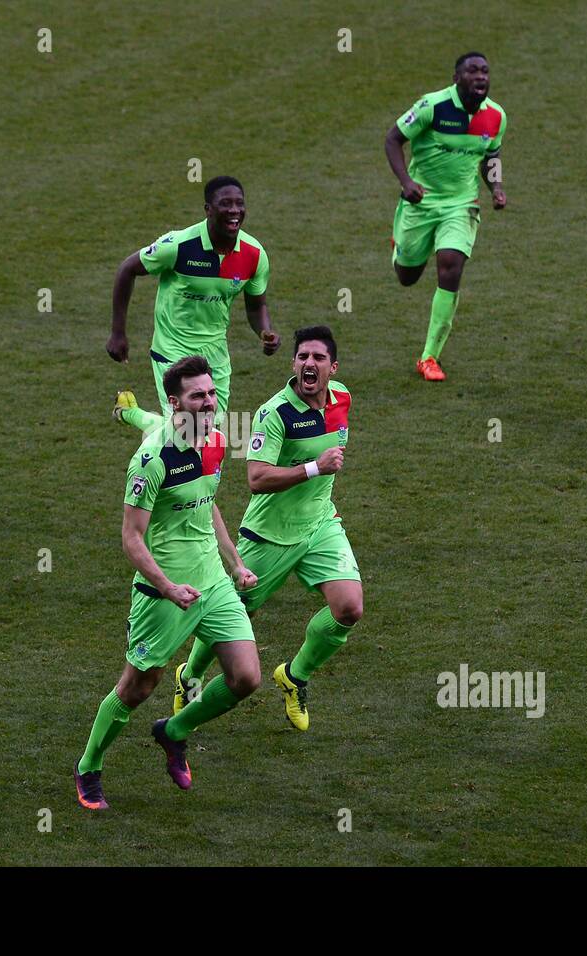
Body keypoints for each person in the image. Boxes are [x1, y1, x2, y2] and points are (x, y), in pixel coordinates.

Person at [74, 356, 261, 811]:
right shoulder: (151, 458)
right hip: (164, 593)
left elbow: (207, 501)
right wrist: (167, 586)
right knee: (137, 687)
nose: (210, 403)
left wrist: (234, 563)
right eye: (199, 396)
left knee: (246, 678)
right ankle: (89, 766)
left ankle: (172, 731)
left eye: (213, 393)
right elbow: (131, 539)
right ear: (176, 403)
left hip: (213, 584)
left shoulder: (214, 440)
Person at [174, 327, 361, 732]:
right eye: (302, 357)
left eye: (318, 357)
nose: (309, 363)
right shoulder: (273, 413)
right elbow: (256, 478)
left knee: (349, 608)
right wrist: (315, 467)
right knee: (237, 614)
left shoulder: (342, 398)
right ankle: (188, 675)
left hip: (320, 525)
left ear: (333, 367)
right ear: (293, 363)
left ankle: (295, 676)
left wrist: (319, 480)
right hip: (270, 535)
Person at [106, 176, 278, 432]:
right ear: (208, 209)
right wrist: (118, 333)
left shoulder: (254, 255)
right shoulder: (179, 245)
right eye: (225, 204)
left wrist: (265, 331)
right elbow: (127, 269)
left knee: (209, 429)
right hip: (172, 349)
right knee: (186, 431)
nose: (234, 210)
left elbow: (256, 306)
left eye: (239, 203)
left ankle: (130, 412)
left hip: (215, 353)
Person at [384, 52, 507, 381]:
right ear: (457, 78)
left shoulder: (495, 116)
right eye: (472, 71)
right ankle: (401, 245)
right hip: (420, 200)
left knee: (451, 266)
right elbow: (393, 139)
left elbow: (491, 154)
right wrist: (407, 183)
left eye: (485, 71)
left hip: (461, 204)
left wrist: (495, 186)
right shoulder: (432, 106)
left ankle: (429, 357)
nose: (480, 77)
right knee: (407, 276)